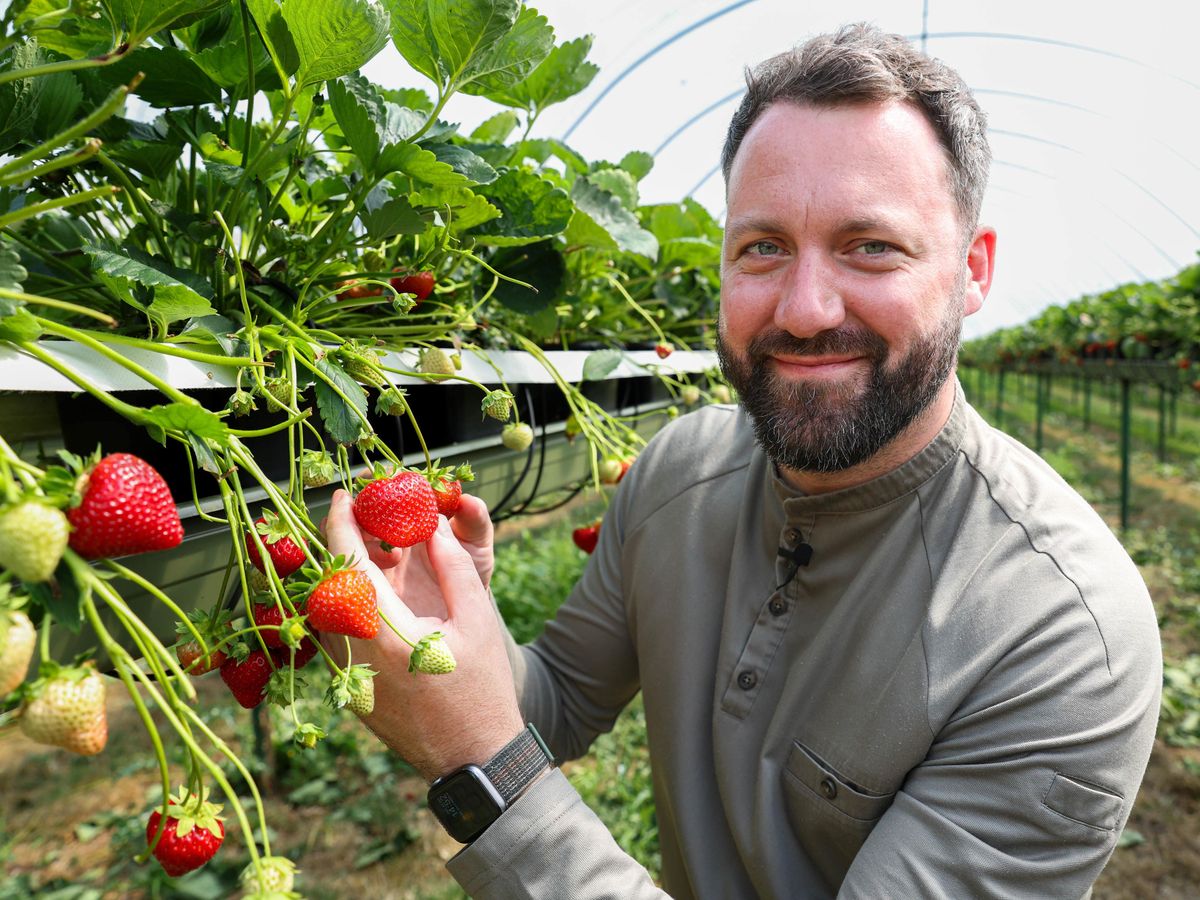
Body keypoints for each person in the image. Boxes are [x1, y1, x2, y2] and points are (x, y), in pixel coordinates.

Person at [321, 23, 1162, 899]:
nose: (802, 309)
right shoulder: (678, 471)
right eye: (762, 246)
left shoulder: (1061, 636)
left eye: (870, 245)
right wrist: (457, 630)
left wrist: (485, 775)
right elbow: (558, 699)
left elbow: (504, 751)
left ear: (972, 270)